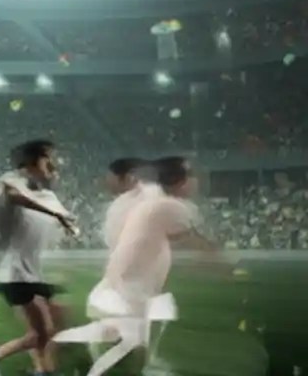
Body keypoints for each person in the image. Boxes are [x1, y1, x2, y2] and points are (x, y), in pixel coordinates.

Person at [55, 157, 218, 376]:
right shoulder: (163, 204)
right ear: (181, 181)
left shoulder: (135, 202)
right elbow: (193, 241)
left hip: (126, 287)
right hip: (129, 290)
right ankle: (79, 353)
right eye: (192, 177)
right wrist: (221, 262)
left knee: (144, 327)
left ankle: (88, 353)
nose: (197, 182)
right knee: (133, 346)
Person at [0, 140, 77, 376]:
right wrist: (54, 214)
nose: (54, 165)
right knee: (42, 332)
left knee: (52, 327)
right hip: (15, 274)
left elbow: (67, 223)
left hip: (36, 273)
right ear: (29, 163)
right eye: (48, 159)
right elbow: (13, 197)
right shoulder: (12, 182)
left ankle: (42, 370)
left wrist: (68, 225)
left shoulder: (48, 195)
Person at [101, 157, 146, 249]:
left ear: (128, 178)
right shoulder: (149, 195)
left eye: (111, 179)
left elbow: (113, 240)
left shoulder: (122, 205)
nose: (108, 183)